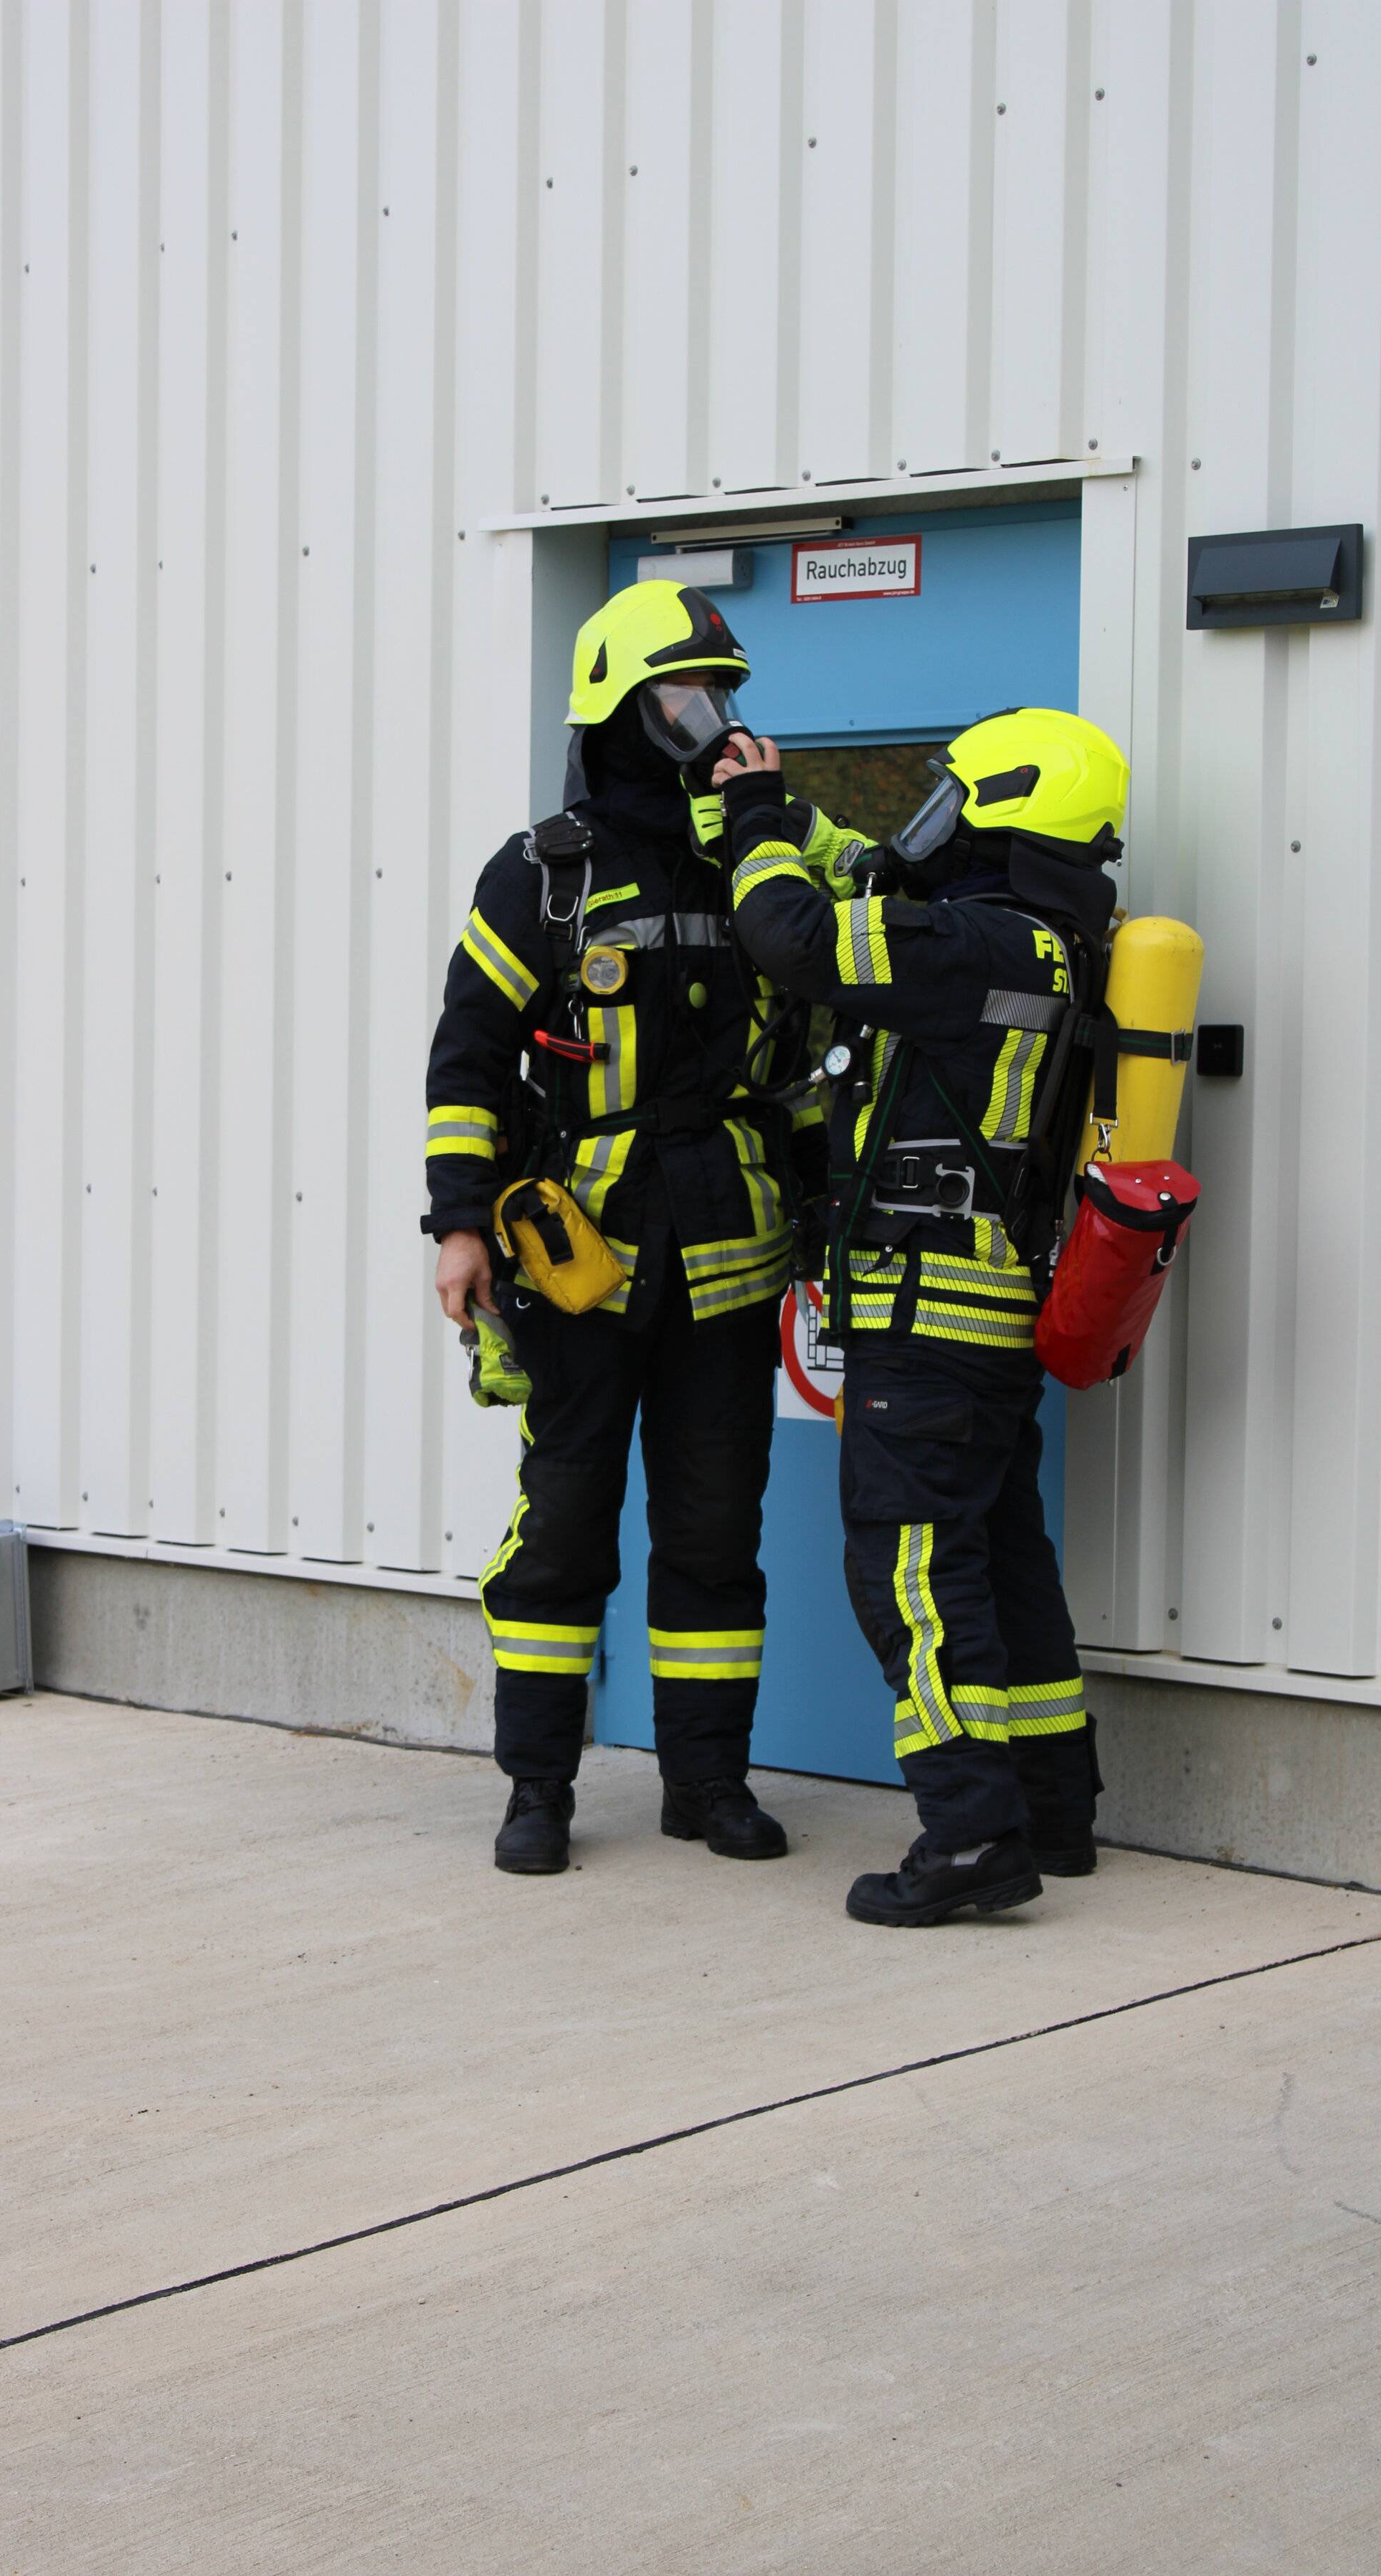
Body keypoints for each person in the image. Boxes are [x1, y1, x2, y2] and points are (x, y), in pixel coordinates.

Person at [423, 579, 843, 1877]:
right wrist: (456, 1226)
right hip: (581, 1261)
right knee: (562, 1527)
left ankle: (706, 1786)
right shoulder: (542, 872)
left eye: (722, 695)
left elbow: (843, 994)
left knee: (718, 1535)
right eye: (683, 697)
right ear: (616, 710)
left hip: (727, 1258)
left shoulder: (767, 847)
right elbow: (471, 1056)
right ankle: (536, 1789)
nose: (711, 720)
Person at [716, 709, 1126, 1925]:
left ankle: (967, 1837)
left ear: (1001, 814)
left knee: (908, 1572)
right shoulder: (1047, 941)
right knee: (1003, 1558)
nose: (933, 820)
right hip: (993, 1318)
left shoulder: (970, 943)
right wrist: (801, 821)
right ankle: (1055, 1809)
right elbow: (873, 883)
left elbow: (795, 940)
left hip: (925, 1322)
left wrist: (749, 831)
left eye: (956, 799)